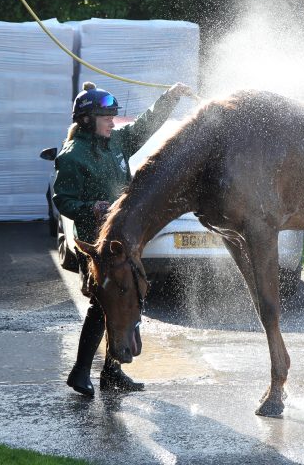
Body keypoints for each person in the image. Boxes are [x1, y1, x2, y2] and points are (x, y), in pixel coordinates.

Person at [53, 80, 194, 397]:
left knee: (128, 300)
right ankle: (80, 373)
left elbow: (146, 124)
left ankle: (111, 373)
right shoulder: (72, 157)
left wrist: (170, 97)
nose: (112, 122)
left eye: (113, 117)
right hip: (97, 246)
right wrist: (92, 207)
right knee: (103, 304)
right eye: (106, 117)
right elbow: (63, 201)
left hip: (124, 240)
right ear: (87, 120)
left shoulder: (116, 142)